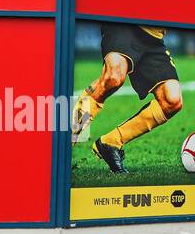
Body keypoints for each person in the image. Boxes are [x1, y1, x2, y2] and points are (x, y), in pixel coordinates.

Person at [72, 24, 185, 175]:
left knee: (172, 100)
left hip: (154, 37)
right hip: (125, 23)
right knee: (113, 77)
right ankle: (64, 139)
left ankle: (111, 143)